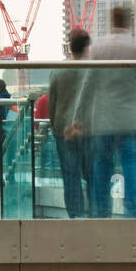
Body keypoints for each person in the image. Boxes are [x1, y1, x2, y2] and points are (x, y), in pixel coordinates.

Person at [83, 7, 136, 217]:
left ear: (111, 21)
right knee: (130, 166)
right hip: (129, 118)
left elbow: (88, 83)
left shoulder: (96, 48)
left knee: (102, 166)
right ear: (129, 23)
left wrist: (78, 117)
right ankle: (135, 213)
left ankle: (101, 214)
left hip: (103, 118)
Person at [48, 29, 92, 217]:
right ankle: (96, 213)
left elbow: (52, 102)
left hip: (63, 130)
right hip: (88, 130)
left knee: (70, 176)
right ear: (87, 47)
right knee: (92, 175)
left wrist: (55, 125)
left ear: (70, 48)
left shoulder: (58, 71)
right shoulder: (93, 70)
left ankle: (75, 215)